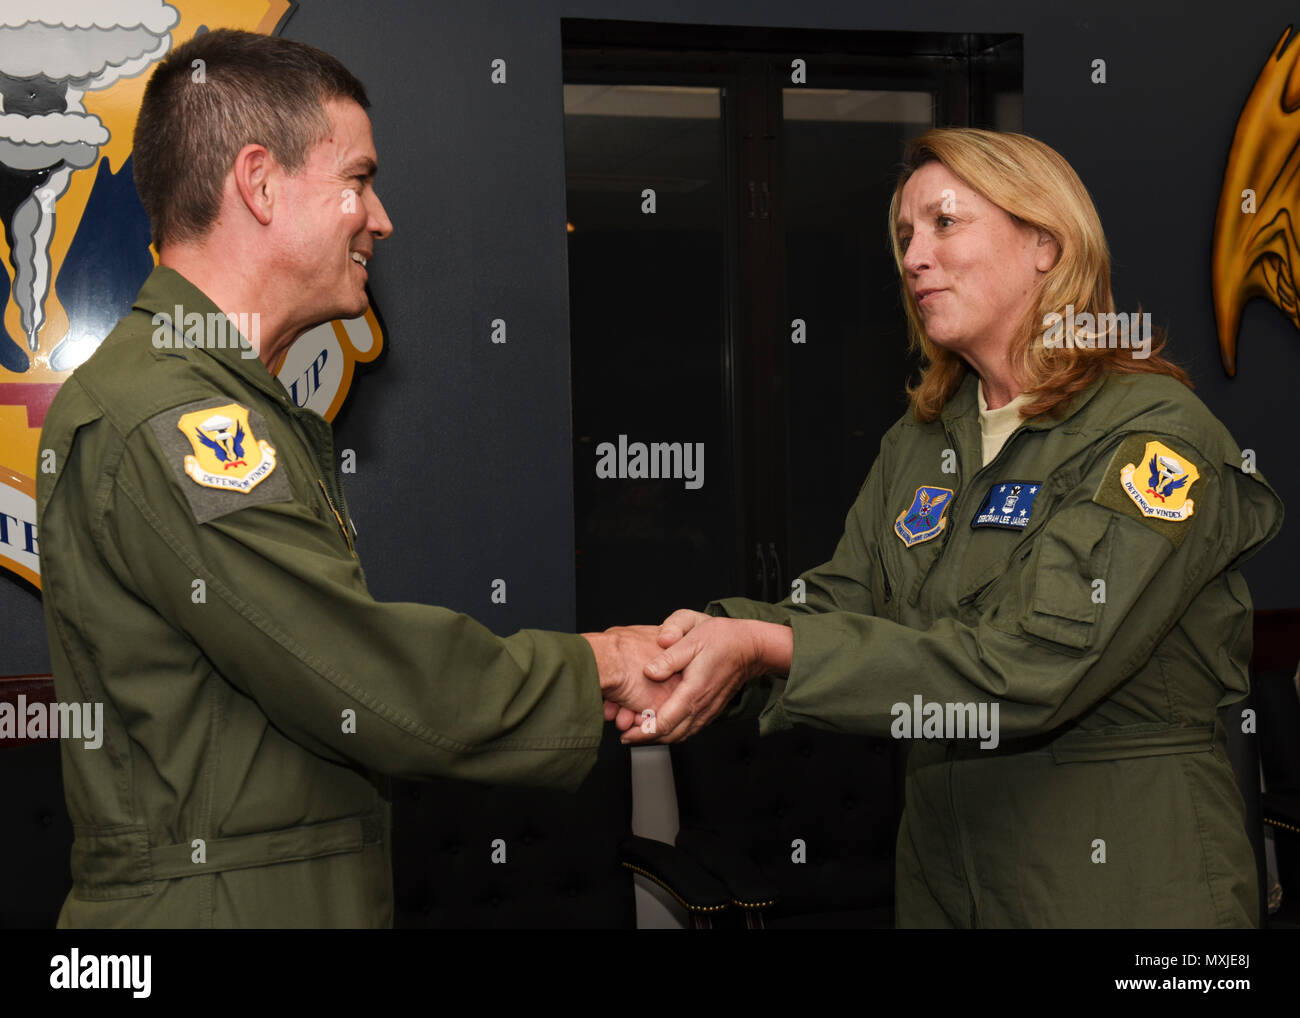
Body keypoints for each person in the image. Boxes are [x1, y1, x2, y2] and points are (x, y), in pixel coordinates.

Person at [36, 29, 667, 928]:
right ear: (258, 183)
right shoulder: (172, 416)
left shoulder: (222, 397)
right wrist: (599, 666)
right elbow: (360, 674)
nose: (382, 217)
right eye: (359, 179)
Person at [620, 128, 1285, 928]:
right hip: (944, 875)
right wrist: (692, 645)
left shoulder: (1153, 435)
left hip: (1123, 882)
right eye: (905, 236)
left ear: (1045, 243)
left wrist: (765, 648)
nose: (912, 257)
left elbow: (1032, 668)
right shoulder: (925, 439)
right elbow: (839, 608)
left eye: (944, 223)